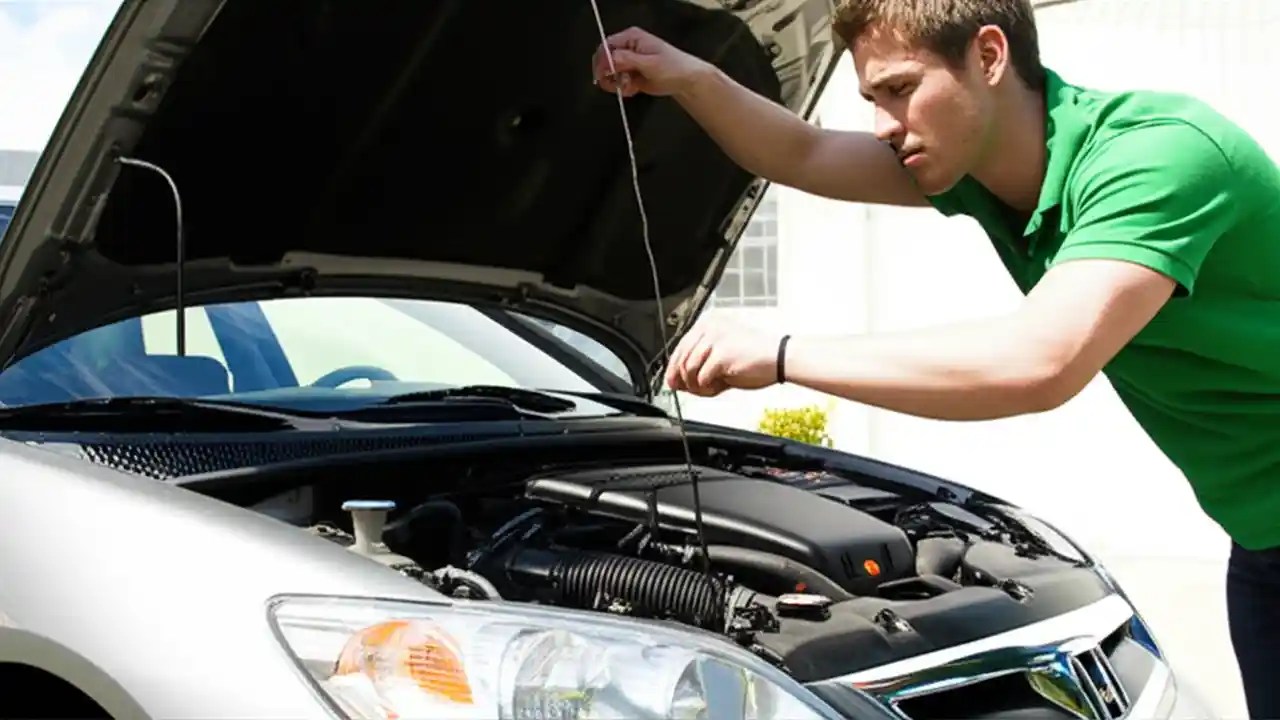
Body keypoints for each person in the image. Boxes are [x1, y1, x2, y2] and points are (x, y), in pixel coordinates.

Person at [590, 0, 1279, 715]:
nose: (884, 124)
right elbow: (802, 153)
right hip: (1260, 537)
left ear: (988, 57)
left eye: (900, 89)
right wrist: (692, 78)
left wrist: (783, 354)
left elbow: (1038, 362)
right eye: (870, 98)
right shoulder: (983, 171)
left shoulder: (1159, 156)